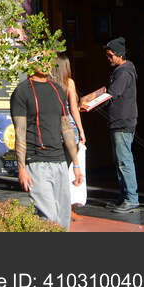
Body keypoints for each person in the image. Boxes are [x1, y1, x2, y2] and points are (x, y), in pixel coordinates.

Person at [9, 60, 85, 229]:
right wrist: (21, 167)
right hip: (36, 162)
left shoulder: (57, 90)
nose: (46, 63)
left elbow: (66, 129)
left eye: (48, 59)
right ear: (30, 63)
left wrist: (76, 165)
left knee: (63, 216)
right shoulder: (22, 92)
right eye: (40, 59)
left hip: (59, 161)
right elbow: (20, 133)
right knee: (48, 216)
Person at [102, 37, 140, 209]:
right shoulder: (122, 71)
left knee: (124, 160)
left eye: (110, 56)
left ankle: (131, 198)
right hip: (119, 121)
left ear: (119, 55)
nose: (108, 58)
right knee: (120, 161)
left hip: (122, 122)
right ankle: (124, 195)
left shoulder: (123, 72)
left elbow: (112, 94)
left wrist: (91, 102)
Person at [54, 54, 87, 207]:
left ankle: (58, 201)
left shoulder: (49, 82)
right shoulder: (69, 83)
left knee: (57, 165)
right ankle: (69, 206)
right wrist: (81, 130)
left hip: (54, 127)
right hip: (69, 127)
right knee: (70, 164)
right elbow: (74, 108)